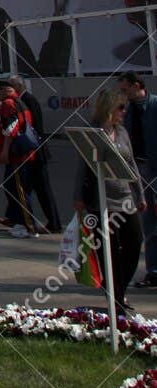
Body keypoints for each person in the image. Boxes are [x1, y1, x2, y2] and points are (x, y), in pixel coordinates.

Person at [74, 89, 143, 320]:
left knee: (134, 243)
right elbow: (82, 166)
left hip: (125, 198)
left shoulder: (122, 132)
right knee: (109, 251)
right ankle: (116, 299)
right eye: (120, 108)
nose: (124, 112)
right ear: (109, 108)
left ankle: (117, 287)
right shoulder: (94, 132)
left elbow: (132, 164)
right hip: (101, 200)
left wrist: (139, 195)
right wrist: (78, 197)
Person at [120, 71, 157, 287]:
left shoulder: (153, 105)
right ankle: (153, 271)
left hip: (154, 167)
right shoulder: (128, 111)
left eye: (125, 90)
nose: (123, 95)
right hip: (139, 168)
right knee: (149, 223)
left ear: (136, 85)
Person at [11, 76, 61, 234]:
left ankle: (53, 223)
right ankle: (16, 217)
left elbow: (35, 126)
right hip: (33, 151)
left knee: (41, 188)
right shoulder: (25, 99)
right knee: (26, 187)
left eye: (11, 87)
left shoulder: (28, 100)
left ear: (17, 87)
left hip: (36, 151)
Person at [0, 77, 38, 237]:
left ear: (5, 90)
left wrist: (5, 150)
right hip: (23, 152)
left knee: (18, 190)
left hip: (17, 154)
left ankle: (27, 226)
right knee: (13, 187)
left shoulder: (8, 104)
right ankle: (17, 220)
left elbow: (11, 128)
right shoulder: (20, 102)